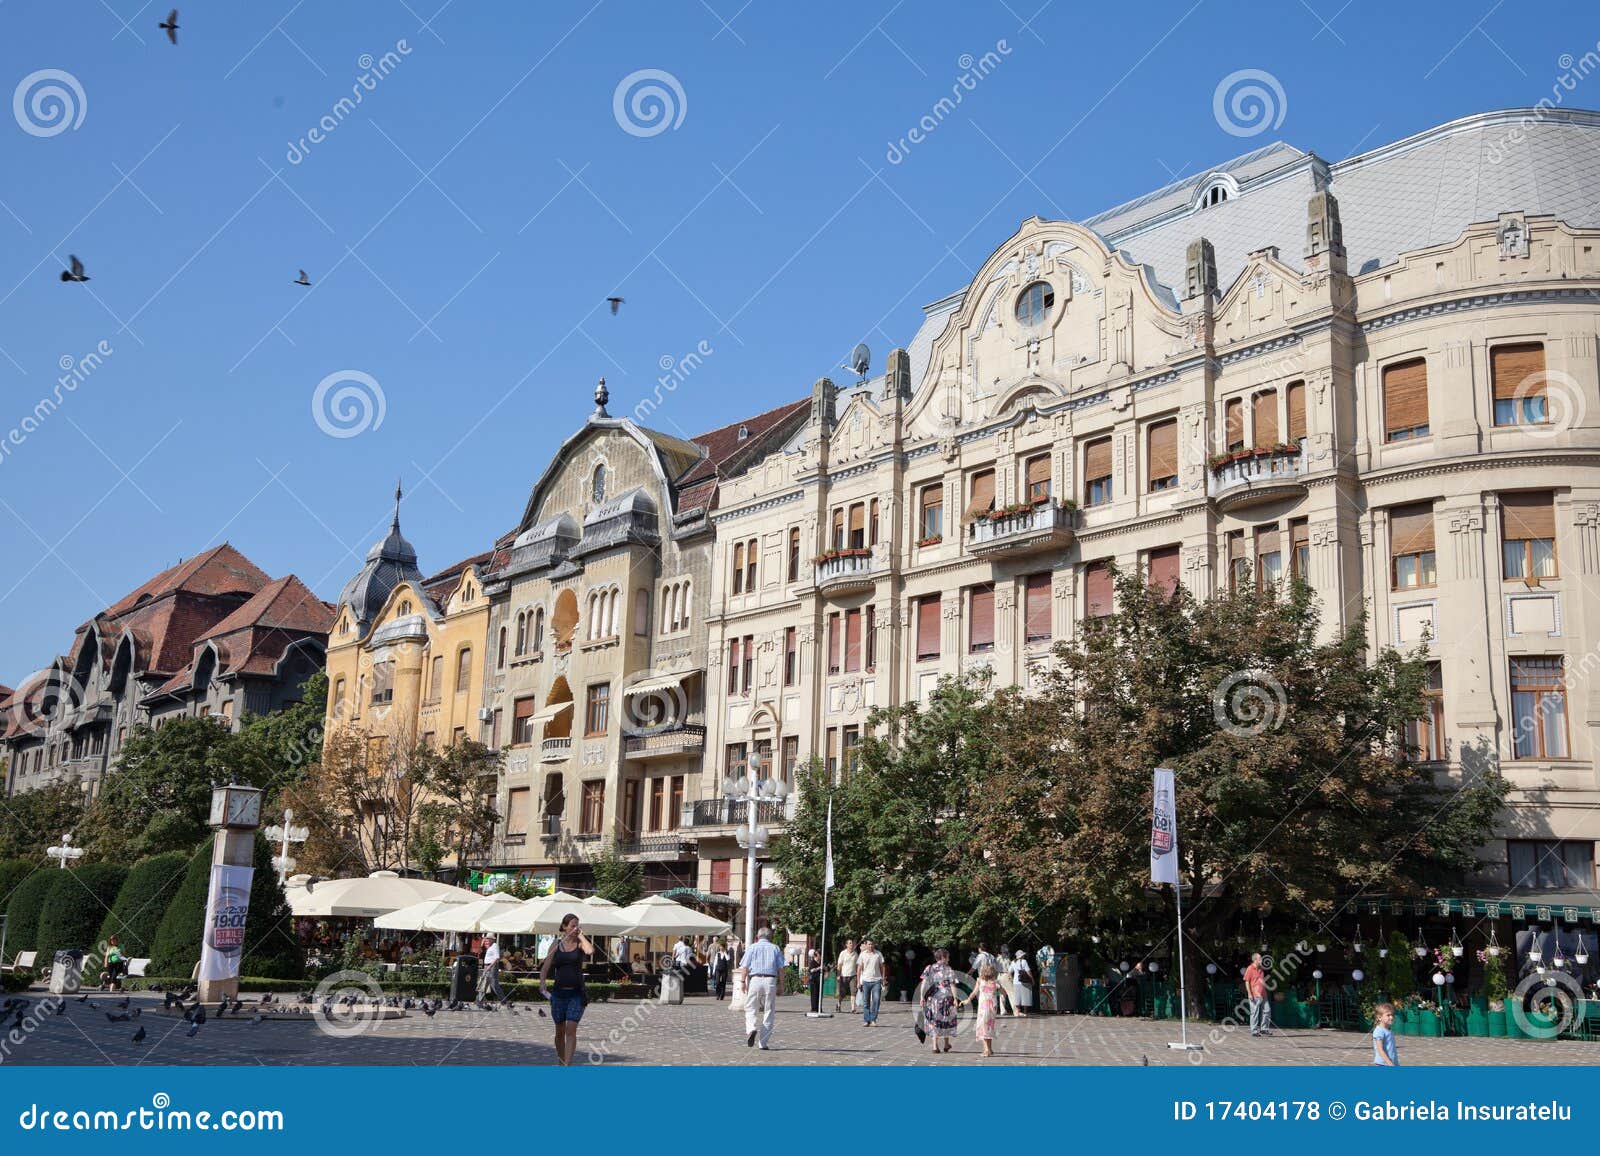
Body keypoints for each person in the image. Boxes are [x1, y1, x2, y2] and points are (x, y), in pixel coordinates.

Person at [538, 913, 593, 1066]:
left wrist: (581, 936)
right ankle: (561, 1061)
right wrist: (542, 982)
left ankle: (567, 1065)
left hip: (576, 993)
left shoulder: (580, 944)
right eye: (572, 926)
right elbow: (546, 966)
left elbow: (590, 951)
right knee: (559, 1032)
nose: (576, 928)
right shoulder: (556, 944)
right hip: (558, 993)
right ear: (564, 927)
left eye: (577, 925)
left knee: (571, 1030)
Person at [740, 927, 785, 1050]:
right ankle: (763, 1043)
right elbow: (781, 968)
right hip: (770, 980)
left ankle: (751, 1028)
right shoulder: (775, 948)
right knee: (769, 1010)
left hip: (755, 979)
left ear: (758, 937)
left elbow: (745, 967)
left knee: (750, 1007)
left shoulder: (752, 947)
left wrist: (743, 981)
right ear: (770, 937)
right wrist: (782, 984)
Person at [919, 948, 960, 1054]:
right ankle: (946, 1044)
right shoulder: (948, 969)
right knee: (946, 1020)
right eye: (948, 957)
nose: (949, 959)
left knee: (934, 1021)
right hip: (946, 999)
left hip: (933, 1000)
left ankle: (934, 1046)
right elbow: (952, 984)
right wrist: (955, 998)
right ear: (943, 958)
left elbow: (923, 983)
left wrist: (921, 997)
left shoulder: (929, 968)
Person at [965, 962, 1001, 1057]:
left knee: (983, 1028)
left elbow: (974, 992)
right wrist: (995, 994)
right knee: (989, 1027)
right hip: (992, 1008)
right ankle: (990, 1048)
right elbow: (1003, 993)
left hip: (983, 1008)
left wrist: (968, 1000)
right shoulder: (996, 982)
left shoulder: (980, 981)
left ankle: (986, 1050)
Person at [857, 938, 885, 1025]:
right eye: (869, 944)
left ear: (874, 944)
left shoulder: (878, 954)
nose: (870, 946)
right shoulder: (862, 955)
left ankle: (873, 1019)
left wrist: (883, 978)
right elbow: (859, 969)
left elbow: (882, 966)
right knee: (866, 1002)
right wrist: (858, 981)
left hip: (876, 980)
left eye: (872, 944)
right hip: (866, 980)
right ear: (866, 945)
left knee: (876, 1000)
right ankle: (866, 1020)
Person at [1244, 952, 1271, 1037]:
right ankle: (1254, 1031)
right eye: (1260, 958)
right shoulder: (1250, 968)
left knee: (1267, 1010)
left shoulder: (1261, 969)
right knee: (1255, 1012)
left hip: (1263, 994)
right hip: (1254, 994)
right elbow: (1247, 982)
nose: (1261, 960)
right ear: (1255, 960)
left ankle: (1264, 1029)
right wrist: (1249, 994)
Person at [479, 934, 506, 1003]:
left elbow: (497, 958)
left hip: (491, 966)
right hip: (487, 966)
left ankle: (503, 1000)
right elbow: (481, 947)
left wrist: (490, 966)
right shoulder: (490, 946)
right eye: (486, 939)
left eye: (488, 939)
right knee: (484, 983)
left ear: (492, 939)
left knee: (494, 984)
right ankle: (479, 999)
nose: (486, 940)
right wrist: (484, 942)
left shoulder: (495, 946)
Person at [836, 938, 859, 1012]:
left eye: (852, 943)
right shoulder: (843, 953)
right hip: (844, 975)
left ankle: (853, 1008)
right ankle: (838, 1003)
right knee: (842, 994)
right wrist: (838, 975)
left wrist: (858, 975)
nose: (851, 944)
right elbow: (839, 964)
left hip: (853, 975)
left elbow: (857, 965)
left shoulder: (855, 954)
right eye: (849, 943)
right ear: (846, 945)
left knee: (853, 991)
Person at [1009, 950, 1033, 1017]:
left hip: (1016, 982)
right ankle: (1025, 1012)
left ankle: (1018, 1012)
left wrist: (1012, 979)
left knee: (1017, 998)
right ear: (1021, 956)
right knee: (1025, 997)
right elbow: (1028, 972)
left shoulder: (1013, 962)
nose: (1024, 956)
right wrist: (1032, 979)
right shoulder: (1024, 961)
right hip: (1025, 982)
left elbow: (1009, 972)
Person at [806, 948, 824, 1013]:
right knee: (814, 994)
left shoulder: (821, 962)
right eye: (820, 955)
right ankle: (814, 1008)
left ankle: (819, 1008)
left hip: (820, 980)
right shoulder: (813, 962)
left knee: (820, 994)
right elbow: (811, 970)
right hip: (814, 980)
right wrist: (819, 968)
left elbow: (825, 971)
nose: (821, 956)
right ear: (817, 955)